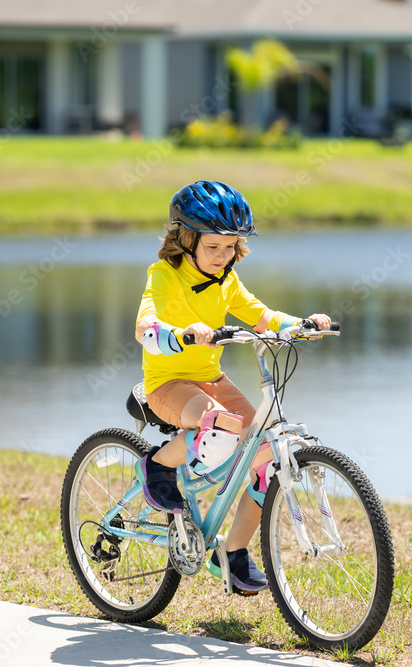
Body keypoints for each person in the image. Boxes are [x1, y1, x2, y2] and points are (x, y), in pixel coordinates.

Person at [134, 180, 331, 592]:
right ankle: (157, 465)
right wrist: (182, 334)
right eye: (213, 247)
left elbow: (260, 315)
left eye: (230, 247)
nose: (223, 256)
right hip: (168, 382)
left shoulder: (226, 278)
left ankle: (233, 551)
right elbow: (145, 326)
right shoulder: (164, 275)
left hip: (211, 378)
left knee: (265, 462)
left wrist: (301, 325)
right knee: (221, 425)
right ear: (186, 241)